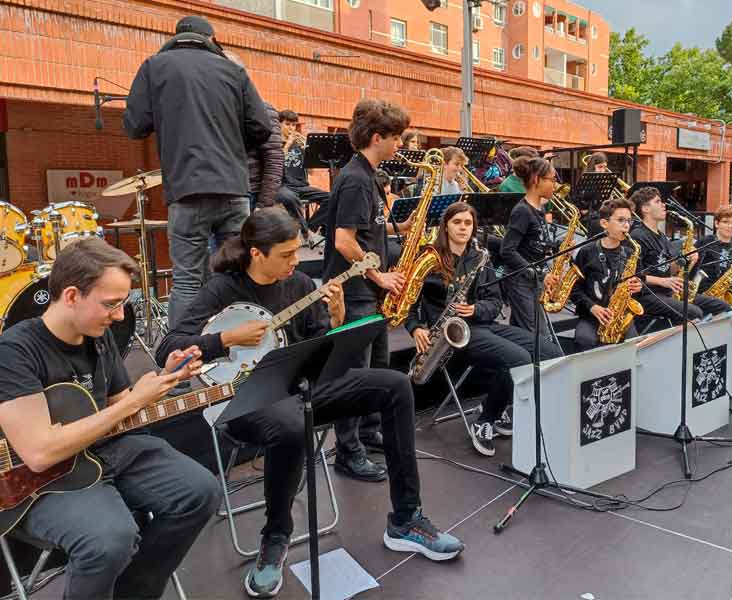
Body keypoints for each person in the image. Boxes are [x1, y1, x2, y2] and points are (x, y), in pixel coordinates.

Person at [156, 208, 464, 598]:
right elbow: (167, 347)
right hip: (242, 399)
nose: (295, 262)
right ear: (256, 253)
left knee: (395, 386)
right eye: (286, 254)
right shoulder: (221, 290)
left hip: (301, 386)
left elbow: (322, 352)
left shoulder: (300, 283)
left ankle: (406, 521)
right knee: (289, 425)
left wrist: (335, 322)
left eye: (296, 253)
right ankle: (276, 536)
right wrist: (225, 340)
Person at [0, 238, 218, 600]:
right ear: (71, 296)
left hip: (105, 452)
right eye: (111, 304)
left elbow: (124, 409)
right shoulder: (16, 351)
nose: (119, 315)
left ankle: (134, 592)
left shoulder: (98, 336)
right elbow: (38, 451)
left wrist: (164, 380)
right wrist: (130, 404)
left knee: (200, 491)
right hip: (43, 479)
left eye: (123, 304)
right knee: (109, 540)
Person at [123, 15, 271, 329]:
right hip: (233, 189)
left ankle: (182, 367)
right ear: (212, 39)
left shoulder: (155, 66)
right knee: (239, 273)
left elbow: (135, 125)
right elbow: (261, 127)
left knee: (188, 281)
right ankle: (244, 356)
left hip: (187, 191)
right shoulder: (233, 69)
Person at [406, 203, 557, 456]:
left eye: (468, 223)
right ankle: (485, 420)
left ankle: (502, 407)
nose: (464, 227)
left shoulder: (480, 257)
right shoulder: (429, 259)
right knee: (517, 359)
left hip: (482, 324)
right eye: (457, 222)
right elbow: (409, 303)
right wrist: (416, 328)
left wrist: (476, 309)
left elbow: (495, 301)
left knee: (549, 351)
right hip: (450, 337)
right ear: (445, 226)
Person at [324, 99, 414, 482]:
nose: (401, 146)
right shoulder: (357, 179)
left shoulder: (369, 176)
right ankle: (348, 451)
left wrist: (407, 228)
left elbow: (366, 231)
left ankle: (367, 431)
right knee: (355, 376)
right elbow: (344, 240)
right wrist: (380, 278)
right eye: (397, 138)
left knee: (377, 367)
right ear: (378, 137)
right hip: (355, 291)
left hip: (368, 294)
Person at [628, 187, 730, 323]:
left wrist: (686, 260)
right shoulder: (638, 235)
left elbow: (669, 269)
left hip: (667, 291)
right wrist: (664, 281)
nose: (663, 205)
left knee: (722, 306)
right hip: (647, 295)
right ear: (645, 208)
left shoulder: (662, 236)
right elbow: (635, 276)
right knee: (695, 313)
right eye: (658, 202)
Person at [500, 157, 565, 351]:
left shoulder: (540, 208)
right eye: (551, 180)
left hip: (532, 280)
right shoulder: (522, 211)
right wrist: (541, 274)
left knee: (523, 331)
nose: (555, 184)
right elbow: (507, 250)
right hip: (520, 281)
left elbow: (533, 242)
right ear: (537, 180)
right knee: (539, 337)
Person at [570, 197, 643, 351]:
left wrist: (639, 286)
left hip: (621, 316)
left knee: (634, 345)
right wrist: (593, 307)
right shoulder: (587, 252)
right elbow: (574, 290)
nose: (626, 225)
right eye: (621, 220)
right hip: (592, 316)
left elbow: (639, 285)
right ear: (604, 223)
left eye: (629, 221)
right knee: (584, 340)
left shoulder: (631, 252)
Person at [278, 110, 330, 233]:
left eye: (293, 125)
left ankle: (309, 228)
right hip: (283, 186)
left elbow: (311, 171)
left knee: (332, 198)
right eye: (287, 124)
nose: (291, 128)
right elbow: (276, 165)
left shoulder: (299, 144)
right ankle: (304, 231)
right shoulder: (276, 144)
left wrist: (308, 151)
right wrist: (288, 144)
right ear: (279, 124)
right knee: (290, 198)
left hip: (302, 186)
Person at [247, 102, 283, 212]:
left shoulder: (263, 110)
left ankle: (308, 227)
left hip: (252, 191)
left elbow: (275, 159)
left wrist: (263, 205)